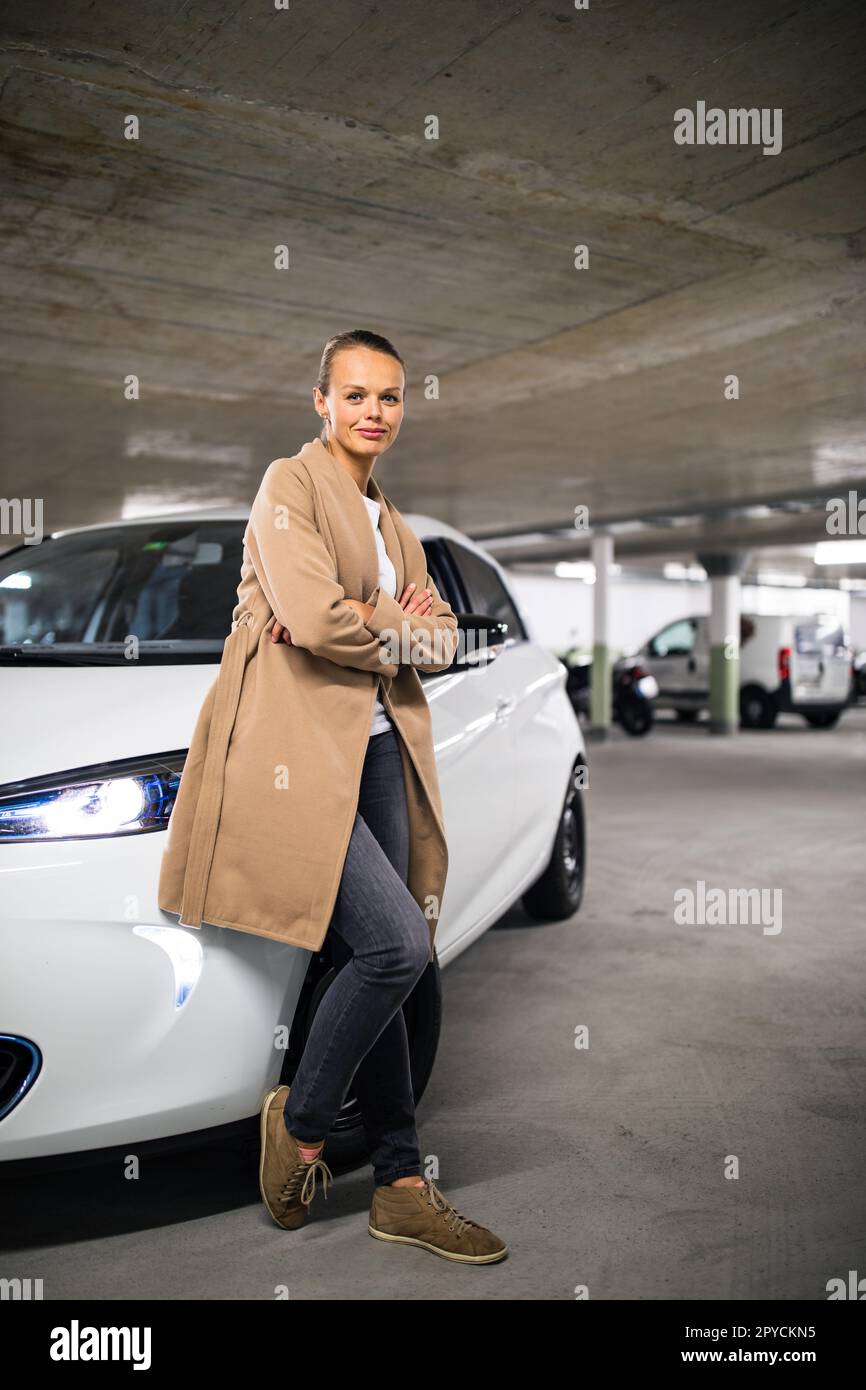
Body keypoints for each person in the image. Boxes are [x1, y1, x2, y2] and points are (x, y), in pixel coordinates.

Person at [258, 329, 508, 1264]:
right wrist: (379, 621)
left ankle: (400, 1183)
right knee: (395, 944)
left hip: (378, 751)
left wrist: (360, 624)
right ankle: (307, 1123)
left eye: (391, 397)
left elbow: (433, 639)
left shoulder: (391, 522)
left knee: (405, 962)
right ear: (320, 400)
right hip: (303, 756)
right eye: (356, 394)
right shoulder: (291, 486)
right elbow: (314, 618)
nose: (374, 411)